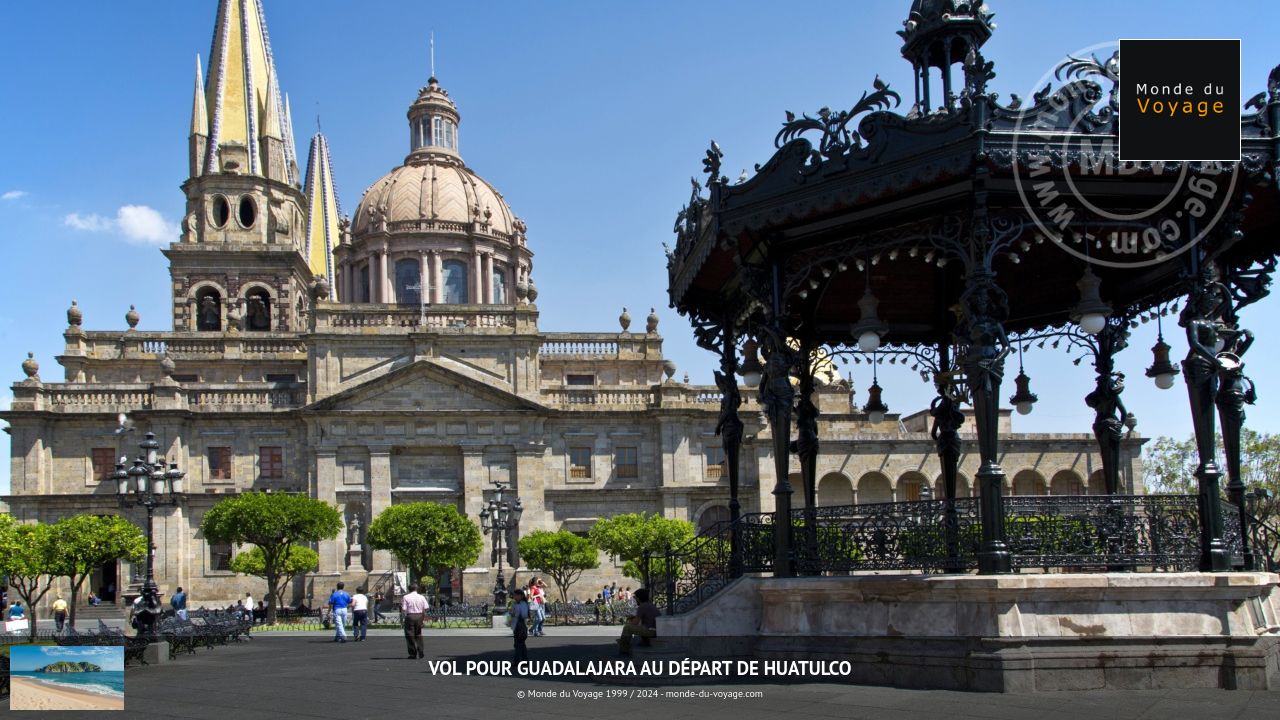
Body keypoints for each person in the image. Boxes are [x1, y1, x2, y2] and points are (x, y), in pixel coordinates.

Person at [617, 588, 658, 655]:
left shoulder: (642, 607)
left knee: (627, 628)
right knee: (631, 625)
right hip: (654, 629)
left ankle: (624, 649)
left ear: (639, 598)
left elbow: (635, 622)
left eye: (635, 598)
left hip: (651, 631)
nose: (635, 599)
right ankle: (626, 642)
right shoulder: (650, 605)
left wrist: (629, 621)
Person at [401, 583, 428, 659]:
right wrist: (423, 617)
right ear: (417, 589)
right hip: (419, 615)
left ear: (409, 589)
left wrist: (403, 618)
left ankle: (413, 653)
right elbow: (426, 607)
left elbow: (404, 609)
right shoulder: (421, 597)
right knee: (419, 633)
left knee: (410, 635)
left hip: (410, 616)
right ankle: (421, 650)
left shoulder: (406, 597)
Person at [509, 589, 530, 665]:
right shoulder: (515, 603)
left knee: (518, 644)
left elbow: (524, 615)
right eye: (514, 595)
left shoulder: (523, 604)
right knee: (520, 644)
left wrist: (514, 613)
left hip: (521, 625)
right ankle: (524, 661)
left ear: (520, 596)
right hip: (516, 625)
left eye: (515, 595)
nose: (514, 597)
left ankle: (517, 661)